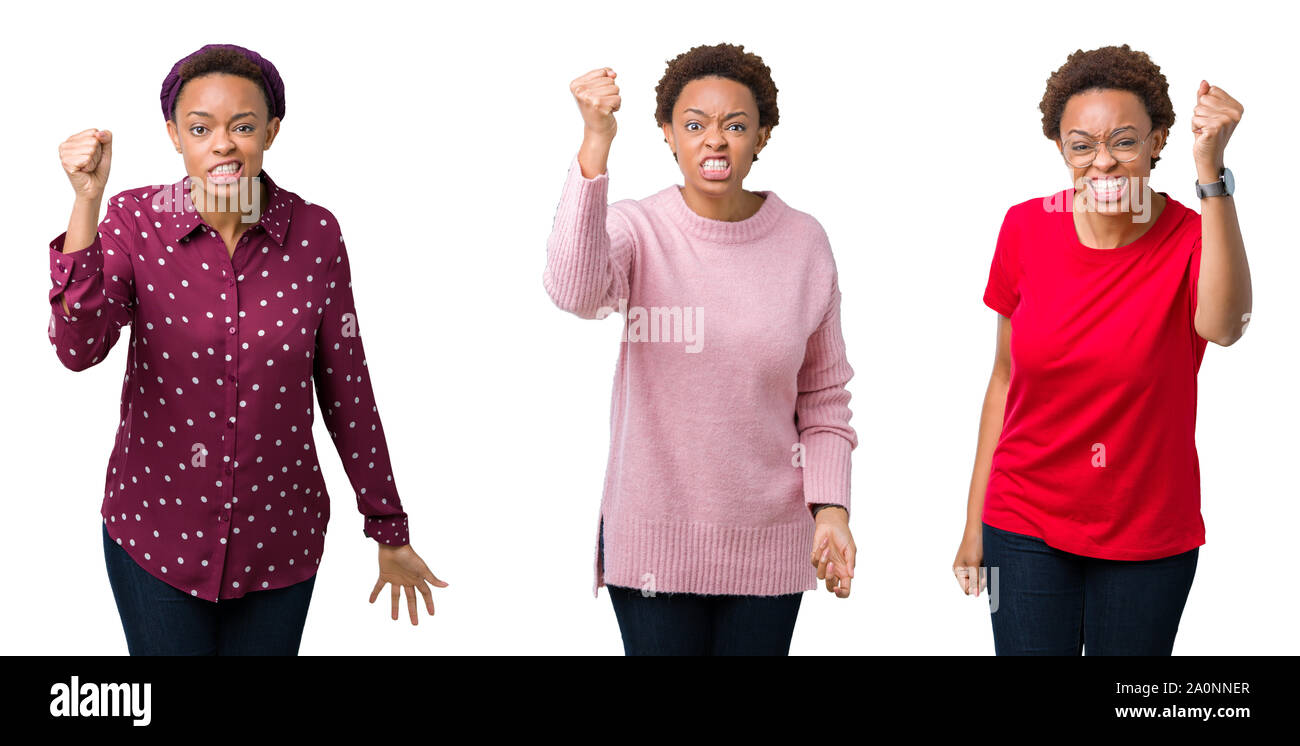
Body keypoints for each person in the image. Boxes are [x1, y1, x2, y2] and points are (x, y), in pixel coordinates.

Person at [48, 43, 446, 655]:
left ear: (272, 130)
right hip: (156, 536)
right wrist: (85, 201)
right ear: (174, 136)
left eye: (243, 126)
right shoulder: (135, 220)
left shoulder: (316, 234)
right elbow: (78, 348)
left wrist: (388, 526)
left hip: (280, 543)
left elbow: (347, 387)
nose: (223, 144)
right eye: (201, 128)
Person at [544, 43, 858, 656]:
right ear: (667, 134)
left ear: (762, 135)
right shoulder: (638, 228)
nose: (715, 141)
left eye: (735, 126)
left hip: (768, 545)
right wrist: (595, 142)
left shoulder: (804, 242)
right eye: (694, 125)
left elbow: (824, 397)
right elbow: (575, 291)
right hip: (654, 544)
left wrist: (832, 509)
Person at [952, 44, 1250, 655]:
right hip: (1022, 523)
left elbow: (1224, 325)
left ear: (1158, 140)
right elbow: (1004, 379)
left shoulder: (1195, 236)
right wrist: (973, 521)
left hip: (1148, 534)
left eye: (1124, 141)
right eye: (1081, 146)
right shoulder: (1024, 228)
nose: (1104, 164)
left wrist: (1212, 174)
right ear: (1061, 150)